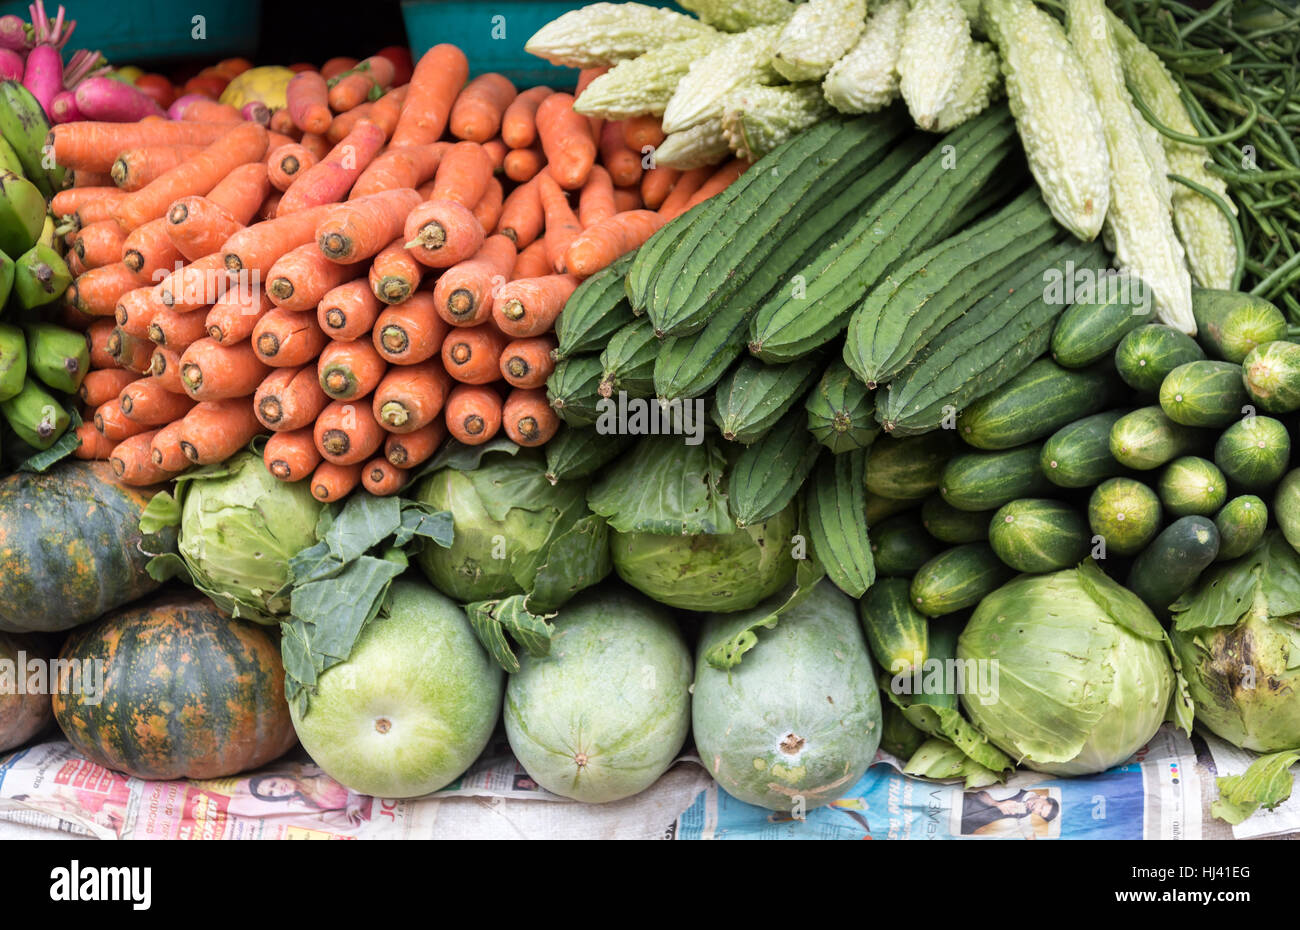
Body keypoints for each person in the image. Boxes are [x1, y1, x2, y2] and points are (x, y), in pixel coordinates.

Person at [961, 788, 1060, 838]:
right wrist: (997, 804)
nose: (1036, 810)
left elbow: (1027, 827)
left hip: (965, 826)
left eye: (1040, 813)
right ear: (1043, 797)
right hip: (961, 805)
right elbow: (981, 793)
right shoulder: (1014, 791)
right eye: (1042, 807)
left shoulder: (1026, 810)